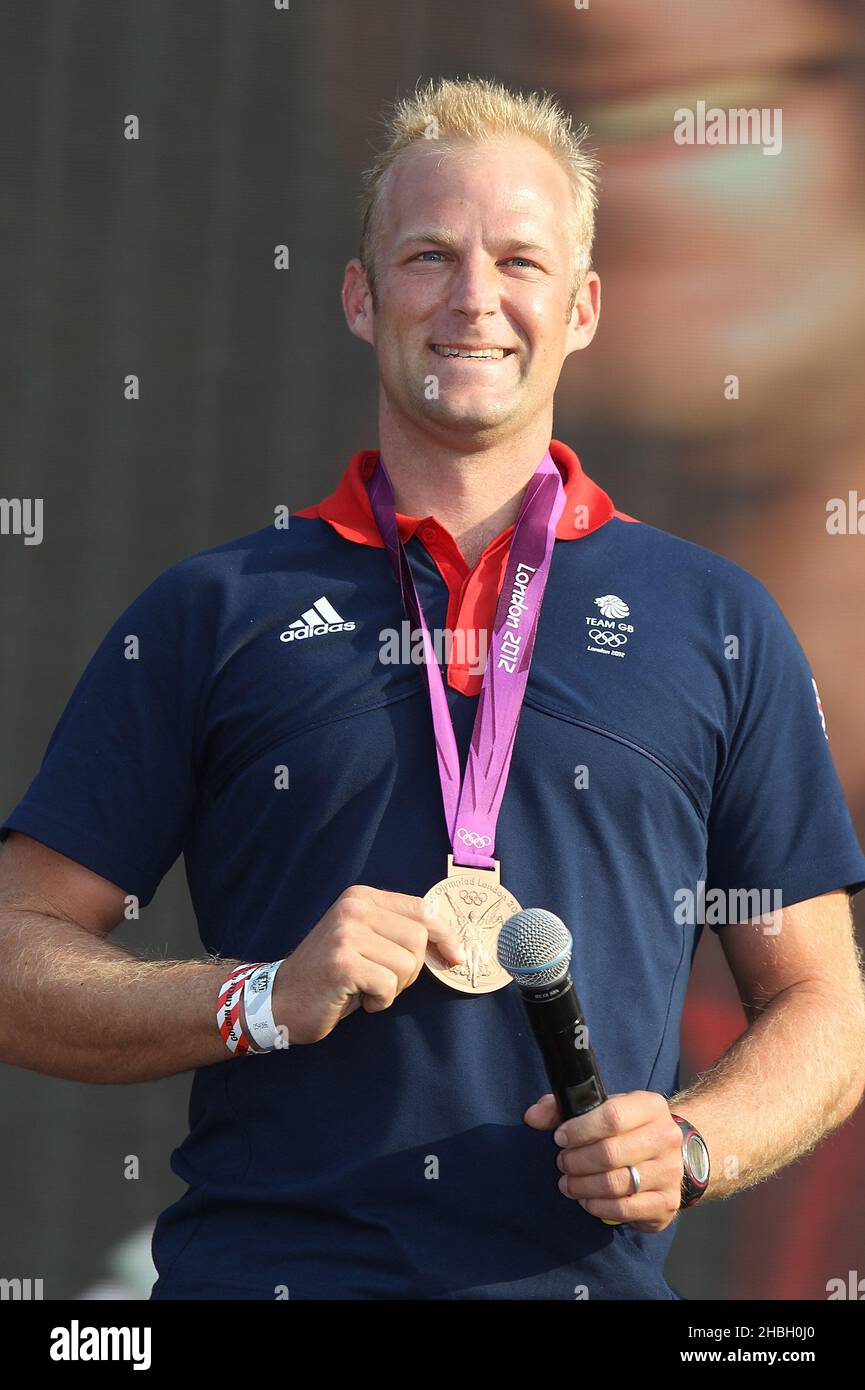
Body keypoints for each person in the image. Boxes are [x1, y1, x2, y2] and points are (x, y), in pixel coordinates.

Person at [2, 75, 864, 1302]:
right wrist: (255, 999)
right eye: (427, 255)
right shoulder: (214, 609)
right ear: (361, 297)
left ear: (582, 306)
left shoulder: (715, 621)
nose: (473, 299)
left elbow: (825, 1003)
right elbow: (13, 957)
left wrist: (692, 1142)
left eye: (519, 259)